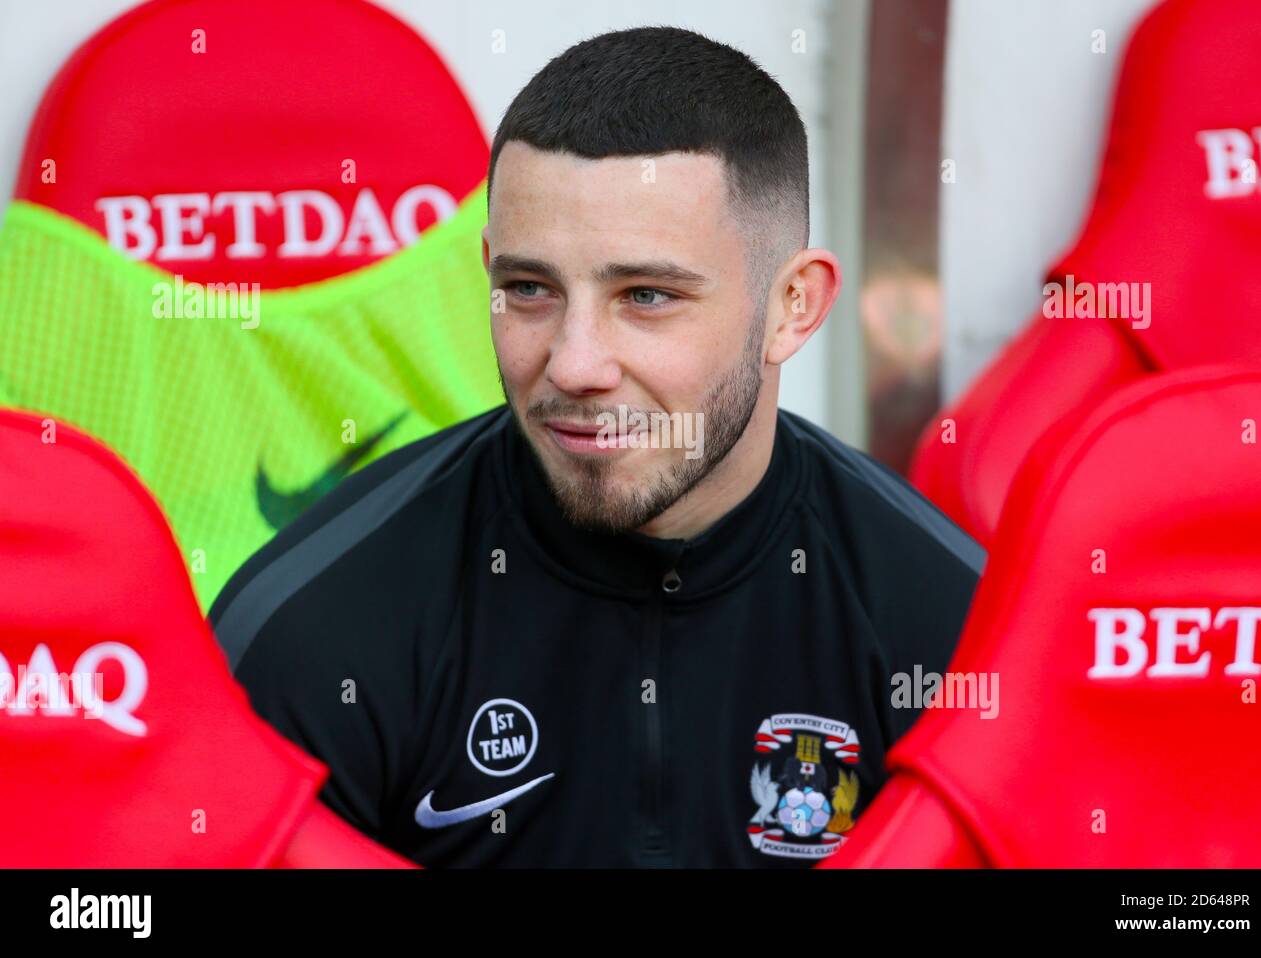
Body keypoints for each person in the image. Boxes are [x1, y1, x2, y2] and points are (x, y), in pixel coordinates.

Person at [211, 25, 984, 867]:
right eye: (529, 289)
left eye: (645, 294)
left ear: (793, 305)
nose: (574, 364)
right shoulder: (319, 622)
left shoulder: (949, 620)